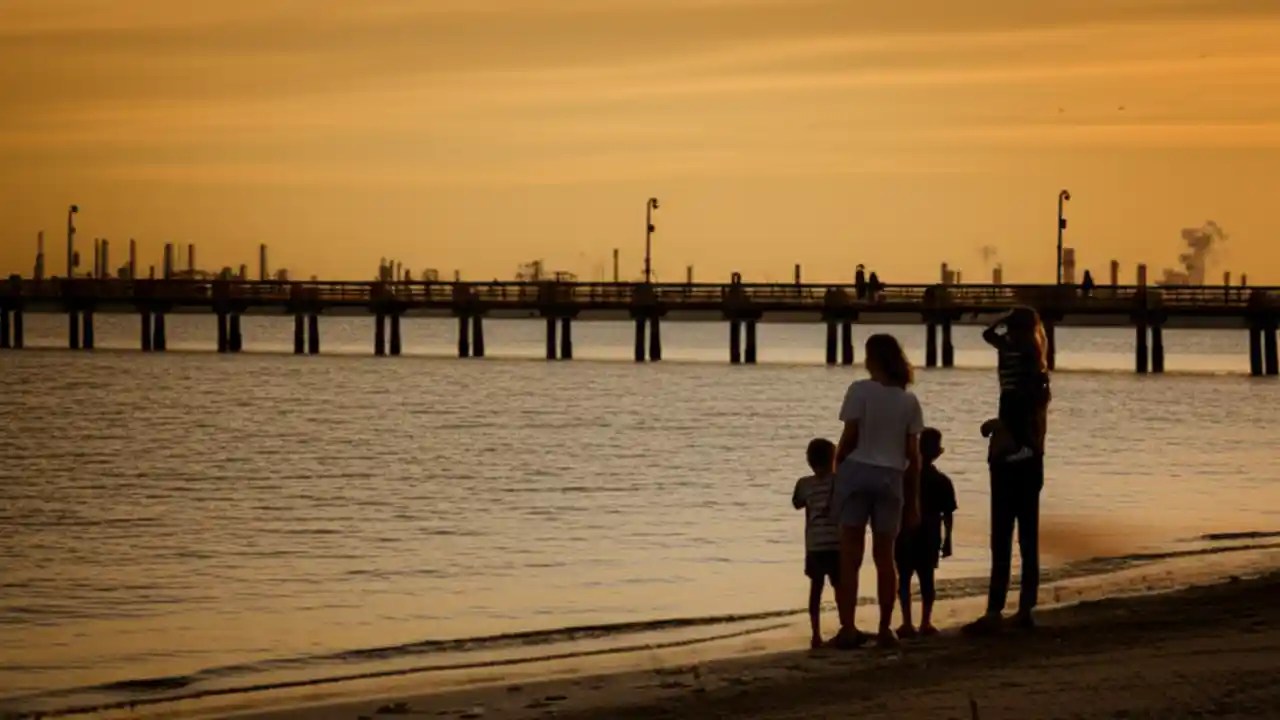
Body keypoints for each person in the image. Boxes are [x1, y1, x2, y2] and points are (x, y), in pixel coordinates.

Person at [831, 334, 924, 649]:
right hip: (891, 477)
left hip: (857, 471)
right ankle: (885, 628)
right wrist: (912, 502)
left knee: (850, 557)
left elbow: (850, 436)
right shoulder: (908, 400)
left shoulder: (859, 391)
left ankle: (848, 627)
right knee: (885, 558)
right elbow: (914, 455)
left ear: (873, 358)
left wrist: (836, 467)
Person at [964, 418, 1042, 634]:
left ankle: (1010, 609)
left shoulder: (1027, 394)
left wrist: (1000, 426)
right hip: (1015, 463)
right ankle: (1009, 608)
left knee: (1013, 540)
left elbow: (1033, 415)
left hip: (1016, 465)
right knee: (1012, 540)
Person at [894, 427, 956, 639]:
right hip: (929, 534)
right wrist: (948, 540)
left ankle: (907, 622)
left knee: (904, 579)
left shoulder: (904, 478)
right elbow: (948, 515)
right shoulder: (942, 481)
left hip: (905, 533)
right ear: (937, 453)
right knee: (926, 579)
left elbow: (895, 506)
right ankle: (925, 622)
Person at [981, 307, 1051, 462]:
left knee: (1016, 424)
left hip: (1016, 392)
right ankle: (1021, 448)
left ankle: (1025, 448)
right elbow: (987, 335)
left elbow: (988, 334)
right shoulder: (1011, 342)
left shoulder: (1023, 345)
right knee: (1011, 425)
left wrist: (1001, 321)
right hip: (1009, 391)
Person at [792, 438, 841, 649]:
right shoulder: (840, 481)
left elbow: (797, 503)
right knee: (841, 588)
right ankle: (845, 625)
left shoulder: (804, 484)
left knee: (816, 590)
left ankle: (816, 634)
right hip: (837, 544)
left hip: (814, 545)